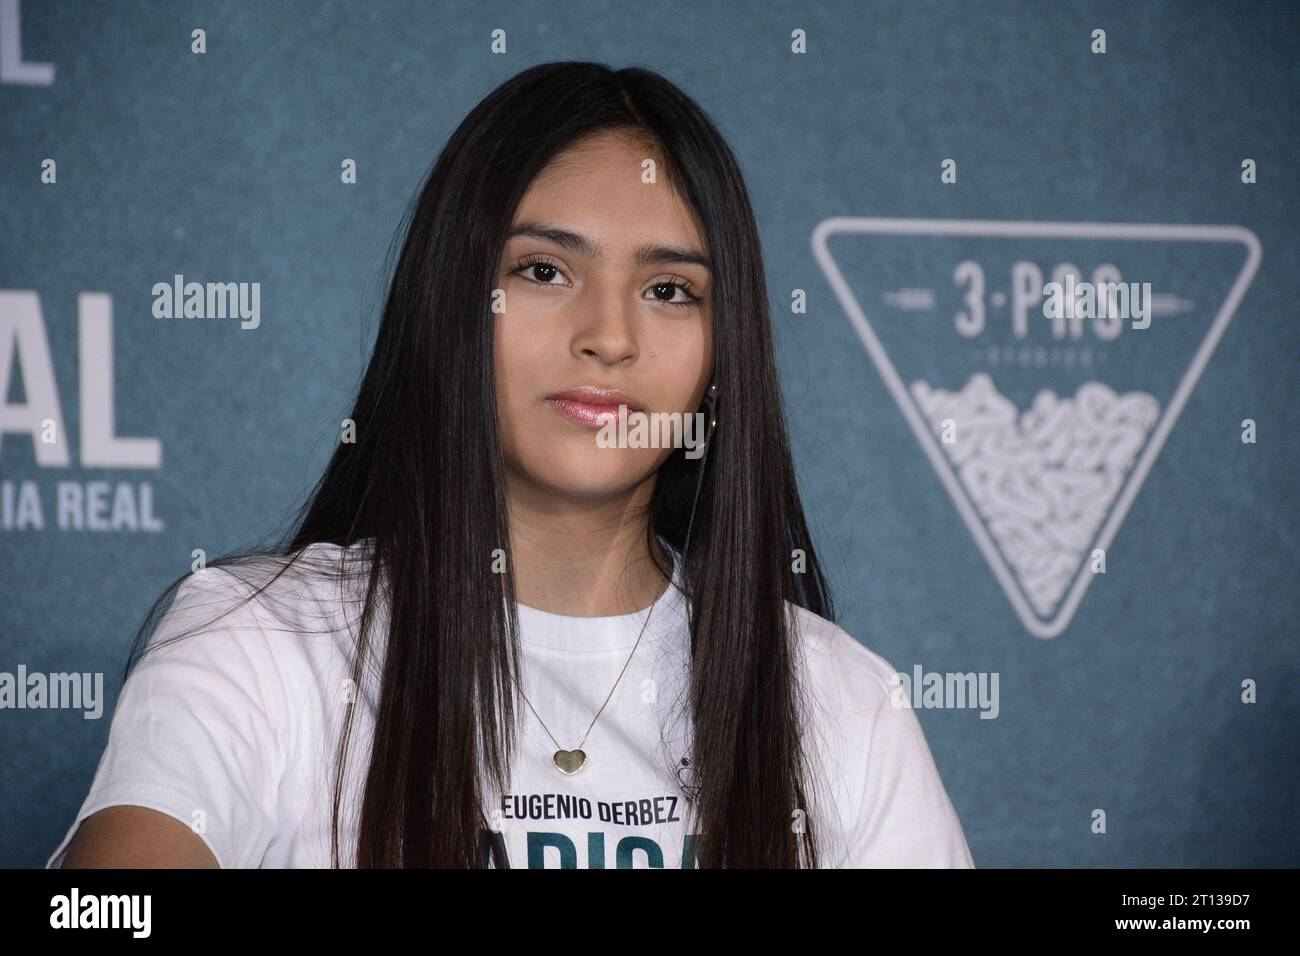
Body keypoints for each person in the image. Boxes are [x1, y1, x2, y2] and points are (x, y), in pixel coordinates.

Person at [47, 61, 974, 869]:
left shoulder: (841, 703)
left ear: (724, 352)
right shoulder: (260, 644)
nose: (609, 337)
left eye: (668, 291)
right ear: (452, 299)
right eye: (544, 271)